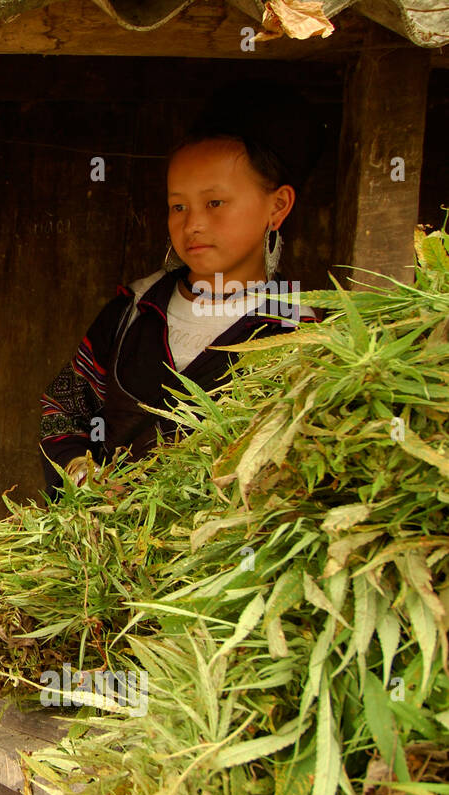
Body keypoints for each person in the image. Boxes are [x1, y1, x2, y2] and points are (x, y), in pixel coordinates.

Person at [39, 81, 328, 500]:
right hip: (110, 551)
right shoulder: (133, 311)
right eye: (178, 206)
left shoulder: (302, 331)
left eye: (215, 203)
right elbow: (62, 411)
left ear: (278, 206)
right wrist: (83, 477)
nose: (191, 224)